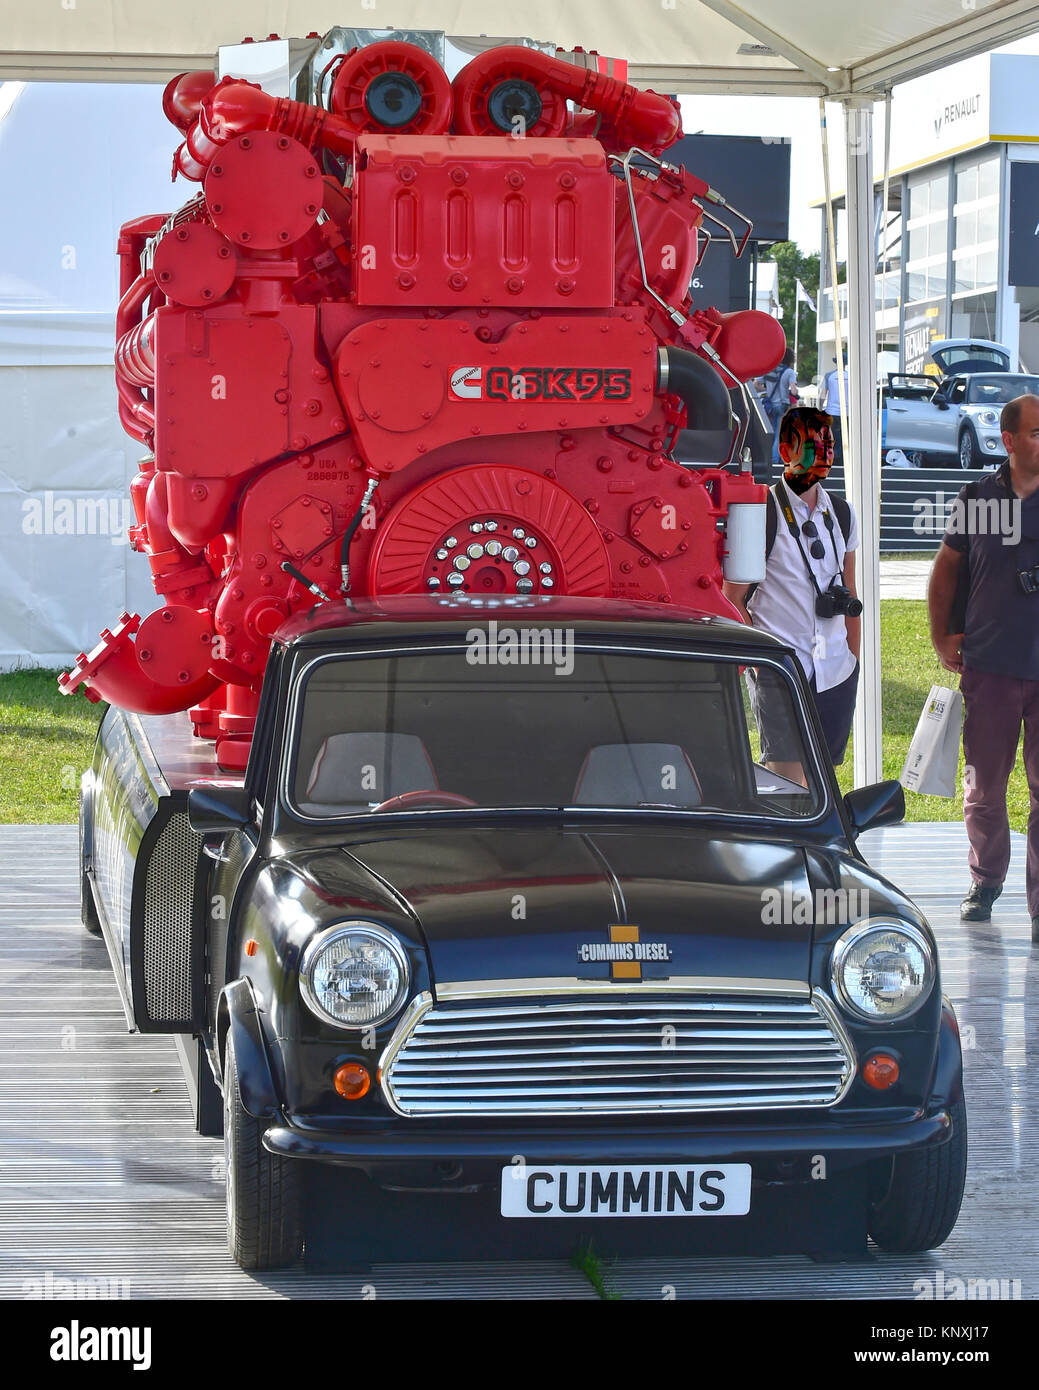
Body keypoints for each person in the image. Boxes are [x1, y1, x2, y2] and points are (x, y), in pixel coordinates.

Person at [927, 393, 1039, 940]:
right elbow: (946, 569)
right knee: (985, 790)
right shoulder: (977, 499)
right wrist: (940, 633)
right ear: (1011, 440)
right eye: (1038, 432)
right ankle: (986, 881)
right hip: (990, 667)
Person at [724, 407, 861, 786]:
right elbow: (731, 598)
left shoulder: (843, 514)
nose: (824, 453)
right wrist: (760, 663)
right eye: (813, 443)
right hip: (781, 668)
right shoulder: (760, 512)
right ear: (786, 450)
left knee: (824, 785)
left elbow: (850, 593)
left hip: (834, 670)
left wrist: (852, 658)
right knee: (790, 789)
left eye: (828, 443)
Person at [760, 349, 798, 465]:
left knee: (769, 433)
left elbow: (756, 385)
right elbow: (793, 390)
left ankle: (766, 457)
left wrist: (767, 390)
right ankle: (774, 459)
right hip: (782, 406)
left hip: (769, 406)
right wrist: (795, 394)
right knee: (779, 434)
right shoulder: (789, 372)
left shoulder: (768, 371)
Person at [820, 356, 849, 465]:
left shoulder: (829, 376)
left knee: (832, 437)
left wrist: (820, 408)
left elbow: (823, 394)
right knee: (845, 437)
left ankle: (834, 459)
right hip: (847, 412)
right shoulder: (851, 376)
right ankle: (843, 459)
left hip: (832, 411)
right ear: (845, 363)